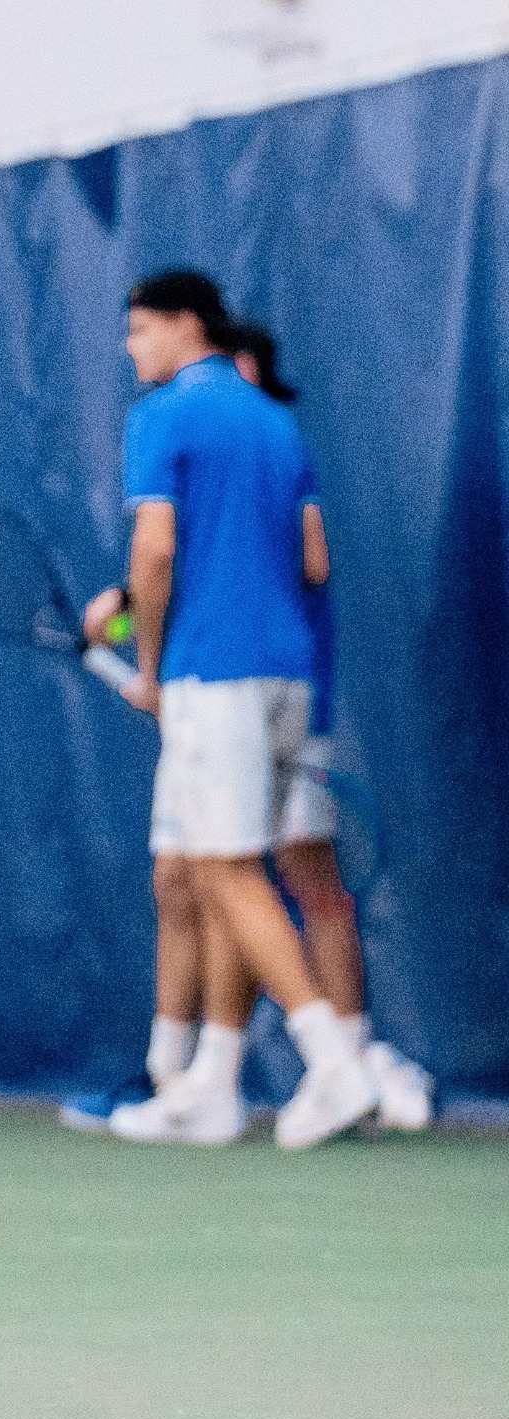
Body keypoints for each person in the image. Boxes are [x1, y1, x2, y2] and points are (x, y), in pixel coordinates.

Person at [79, 322, 433, 1136]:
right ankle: (202, 1074)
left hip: (257, 689)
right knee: (197, 874)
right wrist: (135, 615)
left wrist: (151, 637)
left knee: (277, 871)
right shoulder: (253, 442)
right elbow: (204, 569)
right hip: (240, 682)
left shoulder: (246, 440)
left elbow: (302, 559)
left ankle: (345, 1060)